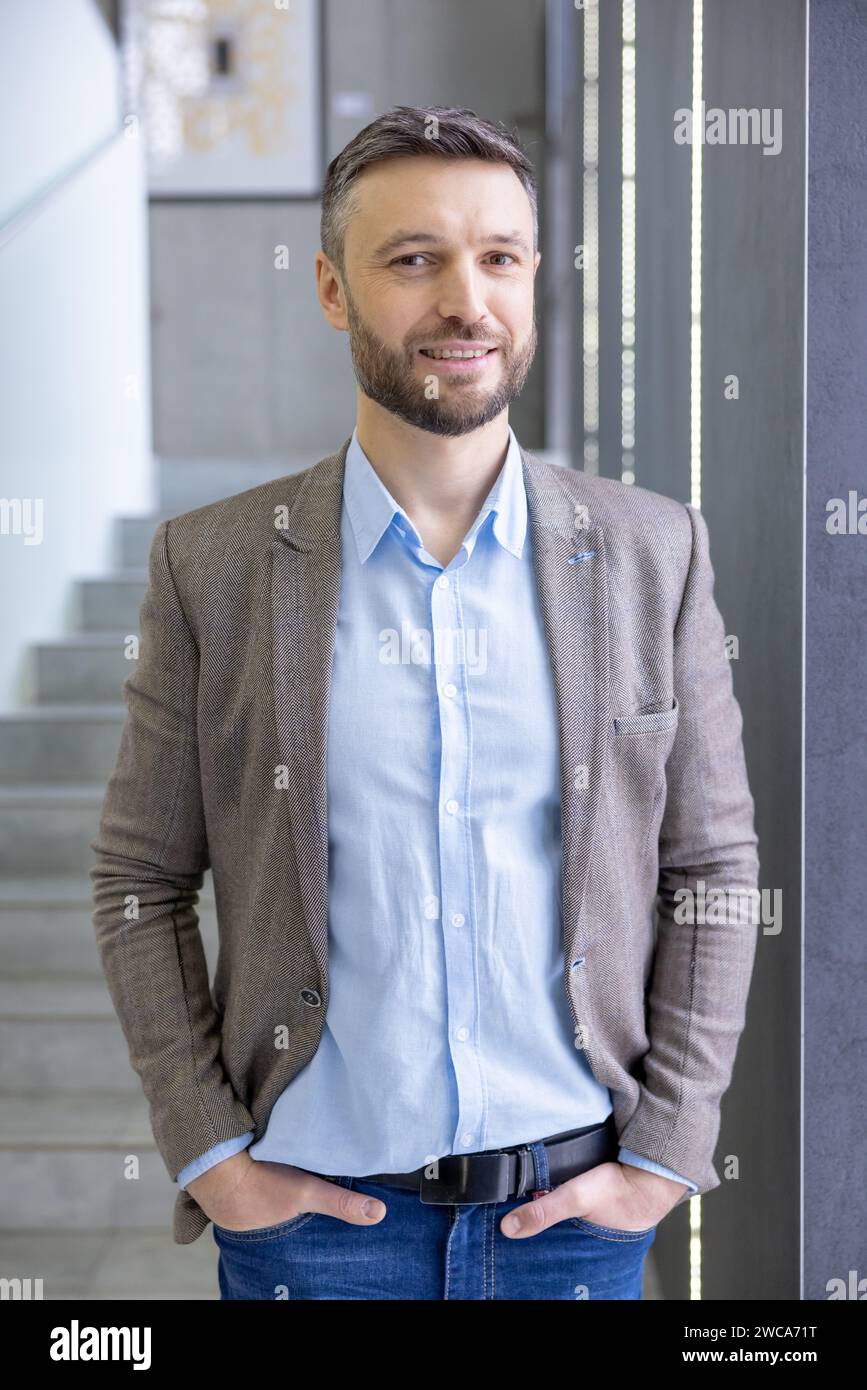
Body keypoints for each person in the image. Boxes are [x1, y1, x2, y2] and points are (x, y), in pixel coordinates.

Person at [90, 105, 760, 1301]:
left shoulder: (656, 552)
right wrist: (212, 1153)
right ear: (336, 291)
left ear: (534, 276)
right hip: (311, 1235)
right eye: (415, 259)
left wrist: (665, 1152)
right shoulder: (218, 566)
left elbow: (710, 864)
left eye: (499, 256)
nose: (467, 299)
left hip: (575, 1229)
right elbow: (139, 882)